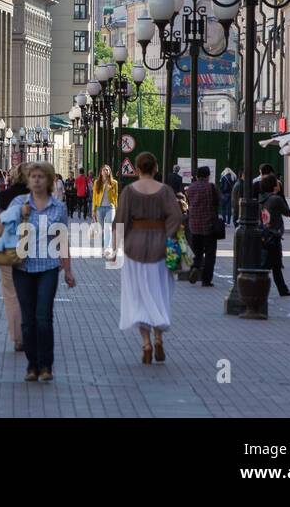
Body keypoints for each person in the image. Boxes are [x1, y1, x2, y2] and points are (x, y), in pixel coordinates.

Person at [109, 152, 181, 364]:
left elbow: (120, 222)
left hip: (134, 248)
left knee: (138, 296)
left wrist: (113, 250)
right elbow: (176, 216)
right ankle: (159, 338)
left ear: (138, 169)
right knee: (160, 293)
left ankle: (146, 343)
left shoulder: (129, 192)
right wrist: (166, 235)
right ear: (155, 168)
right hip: (160, 248)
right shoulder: (166, 191)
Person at [11, 162, 75, 382]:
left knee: (43, 317)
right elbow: (0, 226)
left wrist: (68, 270)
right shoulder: (19, 203)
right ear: (28, 181)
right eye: (33, 176)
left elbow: (63, 239)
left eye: (40, 176)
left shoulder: (58, 208)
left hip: (48, 267)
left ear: (48, 181)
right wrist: (18, 215)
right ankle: (32, 365)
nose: (36, 180)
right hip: (22, 267)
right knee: (28, 320)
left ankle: (46, 365)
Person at [0, 164, 30, 352]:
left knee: (11, 294)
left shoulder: (5, 196)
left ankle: (18, 338)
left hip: (10, 247)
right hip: (35, 247)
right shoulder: (40, 195)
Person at [259, 175, 290, 296]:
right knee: (270, 265)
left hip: (265, 233)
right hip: (274, 234)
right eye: (276, 183)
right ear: (274, 185)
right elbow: (286, 211)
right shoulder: (275, 199)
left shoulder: (262, 198)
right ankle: (258, 288)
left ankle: (282, 289)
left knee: (275, 265)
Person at [184, 165, 220, 287]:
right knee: (210, 254)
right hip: (209, 225)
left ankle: (195, 267)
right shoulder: (211, 187)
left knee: (197, 251)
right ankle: (206, 280)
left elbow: (188, 203)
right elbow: (217, 202)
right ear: (208, 175)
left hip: (194, 225)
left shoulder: (190, 188)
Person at [93, 164, 119, 252]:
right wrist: (94, 210)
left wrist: (116, 207)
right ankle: (101, 246)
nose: (105, 171)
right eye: (104, 170)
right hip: (100, 208)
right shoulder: (97, 182)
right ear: (101, 172)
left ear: (109, 172)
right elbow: (94, 197)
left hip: (110, 208)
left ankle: (107, 248)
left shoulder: (114, 182)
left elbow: (115, 196)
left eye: (107, 170)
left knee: (108, 228)